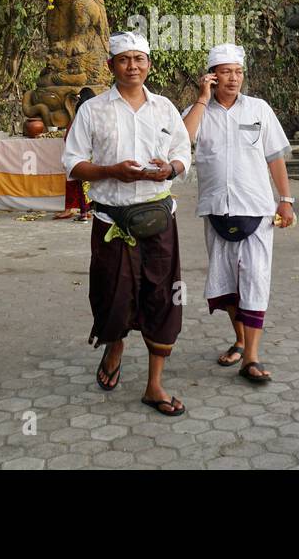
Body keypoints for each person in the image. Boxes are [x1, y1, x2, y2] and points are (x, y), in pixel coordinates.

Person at [62, 31, 191, 416]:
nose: (132, 66)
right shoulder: (93, 110)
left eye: (139, 59)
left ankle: (154, 385)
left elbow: (183, 154)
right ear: (111, 66)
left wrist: (170, 168)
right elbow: (72, 163)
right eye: (124, 60)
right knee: (111, 297)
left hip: (158, 221)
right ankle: (114, 344)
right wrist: (111, 172)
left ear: (149, 65)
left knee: (162, 298)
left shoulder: (165, 108)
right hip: (110, 220)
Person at [182, 44, 295, 385]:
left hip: (257, 210)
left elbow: (275, 156)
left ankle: (251, 357)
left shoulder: (259, 109)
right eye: (226, 72)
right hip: (216, 210)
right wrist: (202, 99)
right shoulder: (197, 111)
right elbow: (181, 141)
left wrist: (286, 199)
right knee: (227, 283)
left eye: (238, 72)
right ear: (212, 76)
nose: (234, 79)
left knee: (255, 280)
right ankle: (241, 340)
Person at [54, 87, 97, 221]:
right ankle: (84, 210)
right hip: (89, 156)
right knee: (82, 184)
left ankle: (83, 212)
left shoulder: (83, 113)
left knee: (80, 184)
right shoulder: (94, 111)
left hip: (81, 156)